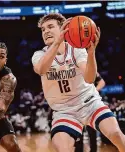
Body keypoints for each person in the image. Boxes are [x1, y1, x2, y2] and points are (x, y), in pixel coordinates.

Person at [31, 13, 125, 152]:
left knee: (116, 134)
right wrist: (57, 43)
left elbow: (89, 78)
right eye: (43, 29)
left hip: (89, 103)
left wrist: (91, 52)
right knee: (63, 148)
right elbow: (41, 69)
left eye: (50, 27)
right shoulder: (38, 55)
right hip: (63, 111)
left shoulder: (76, 49)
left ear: (63, 29)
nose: (46, 31)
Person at [75, 72, 106, 152]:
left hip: (90, 104)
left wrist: (93, 91)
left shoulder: (88, 69)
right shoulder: (72, 70)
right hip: (76, 105)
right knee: (78, 133)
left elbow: (102, 82)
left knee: (92, 133)